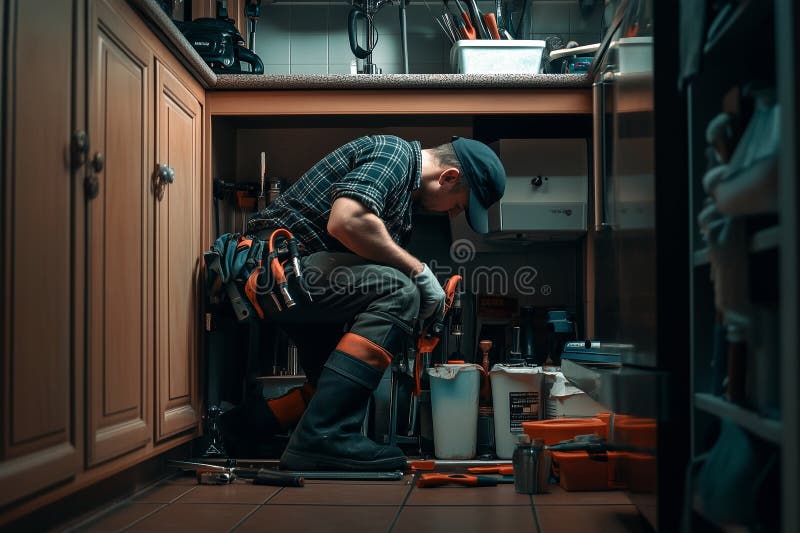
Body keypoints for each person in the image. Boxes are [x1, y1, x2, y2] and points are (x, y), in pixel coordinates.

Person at [230, 134, 505, 471]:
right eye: (459, 205)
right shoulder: (395, 154)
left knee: (329, 388)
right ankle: (324, 438)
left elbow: (364, 271)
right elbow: (346, 221)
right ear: (448, 177)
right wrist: (418, 273)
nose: (453, 213)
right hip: (271, 269)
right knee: (401, 290)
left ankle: (241, 429)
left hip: (297, 275)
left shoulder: (402, 205)